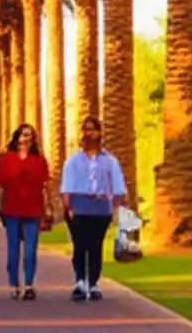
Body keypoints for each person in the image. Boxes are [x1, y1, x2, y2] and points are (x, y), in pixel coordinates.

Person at [60, 115, 127, 302]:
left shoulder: (109, 161)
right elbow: (67, 186)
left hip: (100, 208)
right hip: (79, 206)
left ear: (99, 133)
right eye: (86, 129)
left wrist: (116, 208)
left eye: (93, 129)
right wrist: (69, 207)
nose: (89, 133)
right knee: (80, 246)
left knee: (95, 247)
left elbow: (118, 186)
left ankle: (94, 283)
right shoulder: (73, 161)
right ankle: (80, 282)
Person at [0, 123, 51, 301]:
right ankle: (14, 284)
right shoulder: (7, 160)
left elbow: (45, 185)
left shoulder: (39, 160)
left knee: (31, 249)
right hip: (12, 208)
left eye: (30, 135)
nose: (27, 138)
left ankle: (29, 284)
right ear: (17, 138)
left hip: (33, 209)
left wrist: (47, 207)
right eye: (24, 135)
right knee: (13, 249)